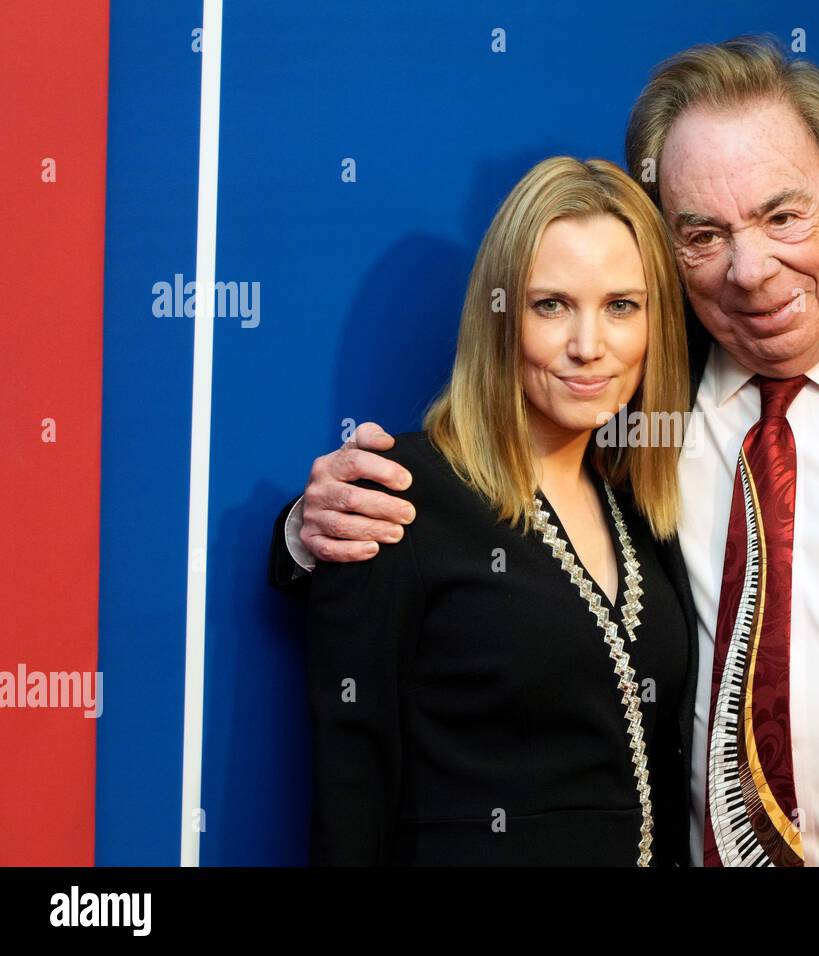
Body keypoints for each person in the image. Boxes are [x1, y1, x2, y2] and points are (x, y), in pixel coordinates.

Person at [271, 36, 819, 866]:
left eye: (783, 215)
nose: (749, 271)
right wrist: (306, 533)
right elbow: (461, 504)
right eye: (703, 234)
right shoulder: (633, 379)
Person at [303, 155, 696, 865]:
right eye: (552, 305)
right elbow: (350, 788)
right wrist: (296, 536)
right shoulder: (398, 496)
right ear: (501, 317)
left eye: (621, 306)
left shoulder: (639, 506)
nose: (588, 346)